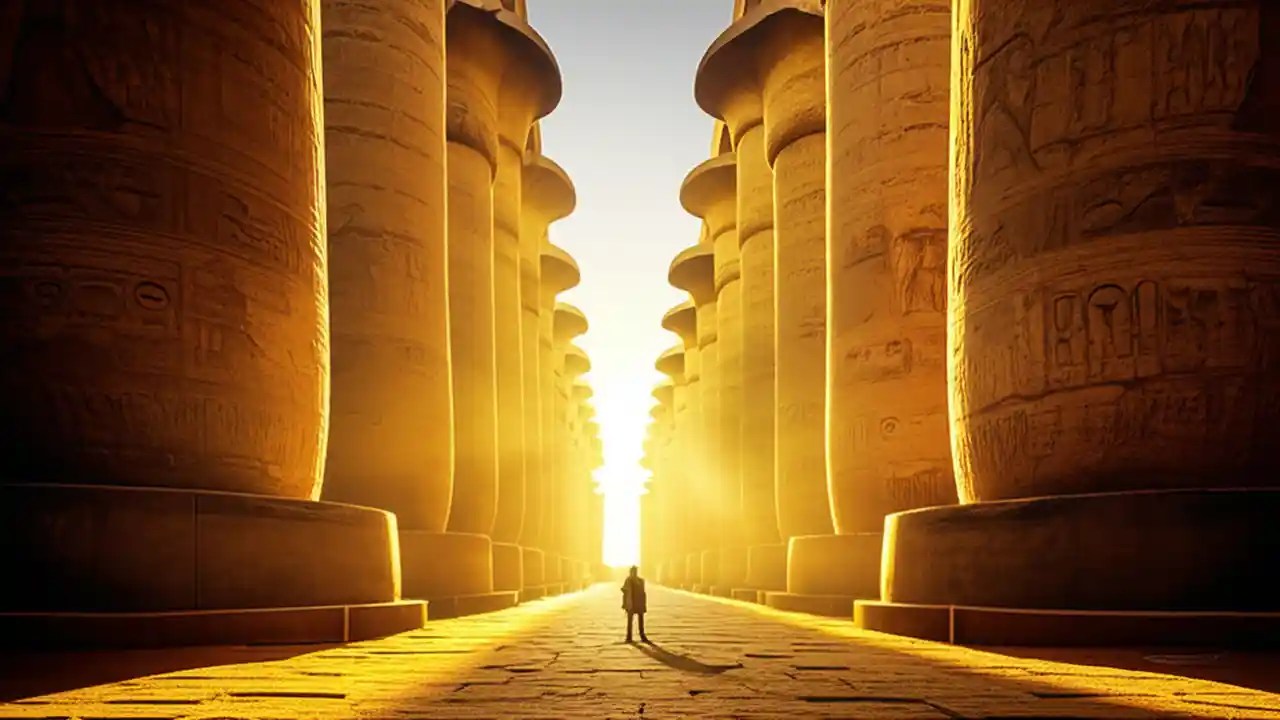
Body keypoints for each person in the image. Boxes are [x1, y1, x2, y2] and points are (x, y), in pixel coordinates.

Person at [621, 565, 648, 643]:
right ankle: (629, 637)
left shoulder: (641, 580)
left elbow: (643, 593)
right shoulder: (628, 580)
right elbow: (625, 592)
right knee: (630, 621)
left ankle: (642, 635)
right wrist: (625, 603)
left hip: (639, 603)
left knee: (641, 620)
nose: (634, 573)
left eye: (635, 571)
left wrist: (644, 603)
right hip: (631, 603)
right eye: (633, 571)